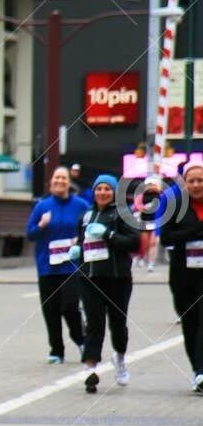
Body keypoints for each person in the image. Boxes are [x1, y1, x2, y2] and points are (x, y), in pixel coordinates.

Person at [73, 173, 141, 393]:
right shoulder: (85, 215)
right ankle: (90, 368)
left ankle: (120, 358)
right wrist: (76, 252)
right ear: (93, 192)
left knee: (117, 324)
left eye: (107, 189)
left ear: (114, 192)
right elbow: (82, 242)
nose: (102, 193)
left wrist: (109, 234)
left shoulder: (123, 213)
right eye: (98, 189)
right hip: (90, 278)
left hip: (117, 278)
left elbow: (133, 242)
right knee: (94, 323)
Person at [25, 165, 90, 364]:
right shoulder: (42, 207)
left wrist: (77, 241)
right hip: (47, 266)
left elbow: (89, 230)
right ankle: (56, 350)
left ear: (68, 183)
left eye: (63, 178)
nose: (59, 181)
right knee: (50, 309)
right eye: (56, 178)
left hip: (71, 266)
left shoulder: (80, 205)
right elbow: (30, 233)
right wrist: (42, 225)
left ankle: (81, 339)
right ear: (51, 182)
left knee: (70, 306)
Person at [162, 162, 203, 392]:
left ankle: (202, 371)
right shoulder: (175, 205)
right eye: (192, 181)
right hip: (183, 273)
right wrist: (195, 231)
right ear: (185, 184)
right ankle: (197, 370)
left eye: (200, 180)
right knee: (190, 322)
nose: (196, 185)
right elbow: (166, 238)